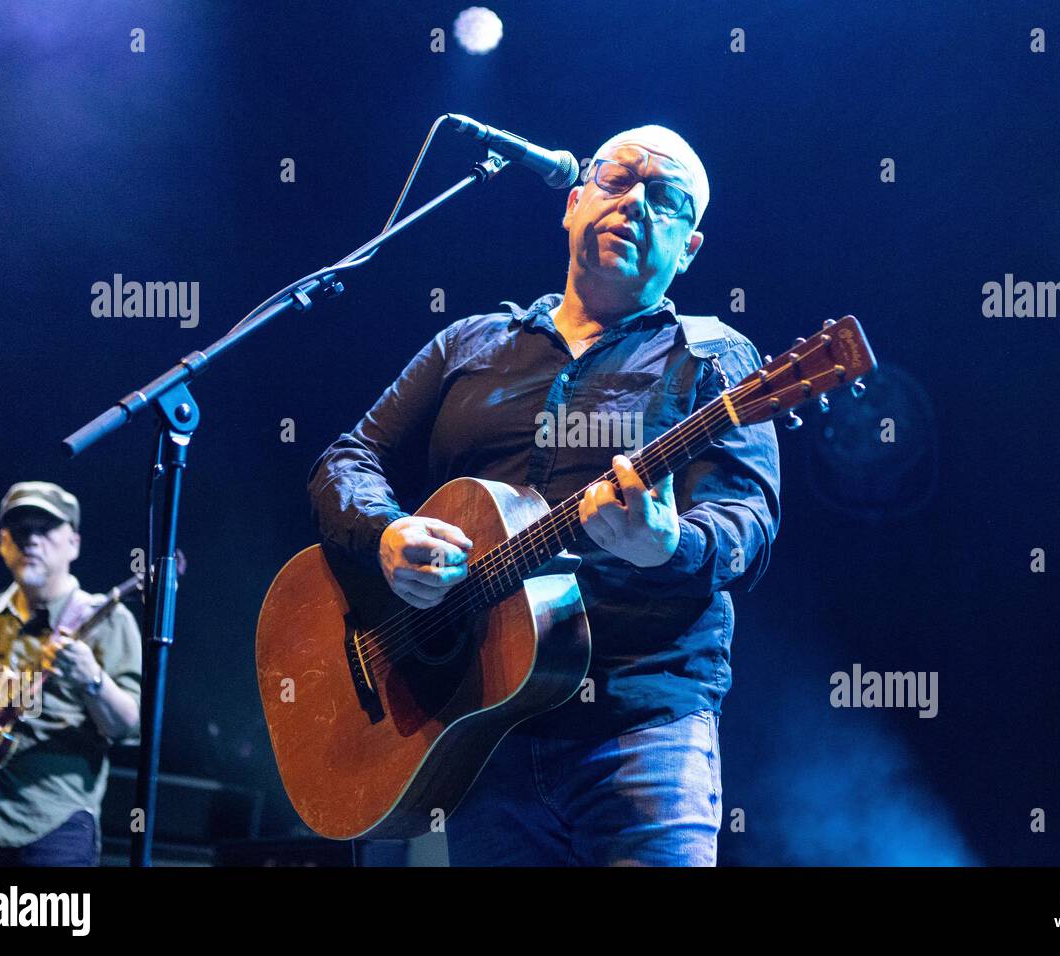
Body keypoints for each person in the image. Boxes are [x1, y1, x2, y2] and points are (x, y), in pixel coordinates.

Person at [308, 126, 780, 865]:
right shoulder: (470, 342)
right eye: (617, 180)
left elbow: (745, 528)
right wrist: (386, 535)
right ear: (572, 201)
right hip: (478, 735)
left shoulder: (715, 359)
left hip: (639, 728)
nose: (635, 204)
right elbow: (350, 457)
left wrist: (667, 543)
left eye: (667, 199)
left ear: (689, 249)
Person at [0, 482, 141, 866]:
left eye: (45, 528)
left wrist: (92, 680)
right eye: (19, 529)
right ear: (2, 542)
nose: (31, 539)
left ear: (74, 543)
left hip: (51, 824)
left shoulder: (109, 621)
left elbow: (128, 728)